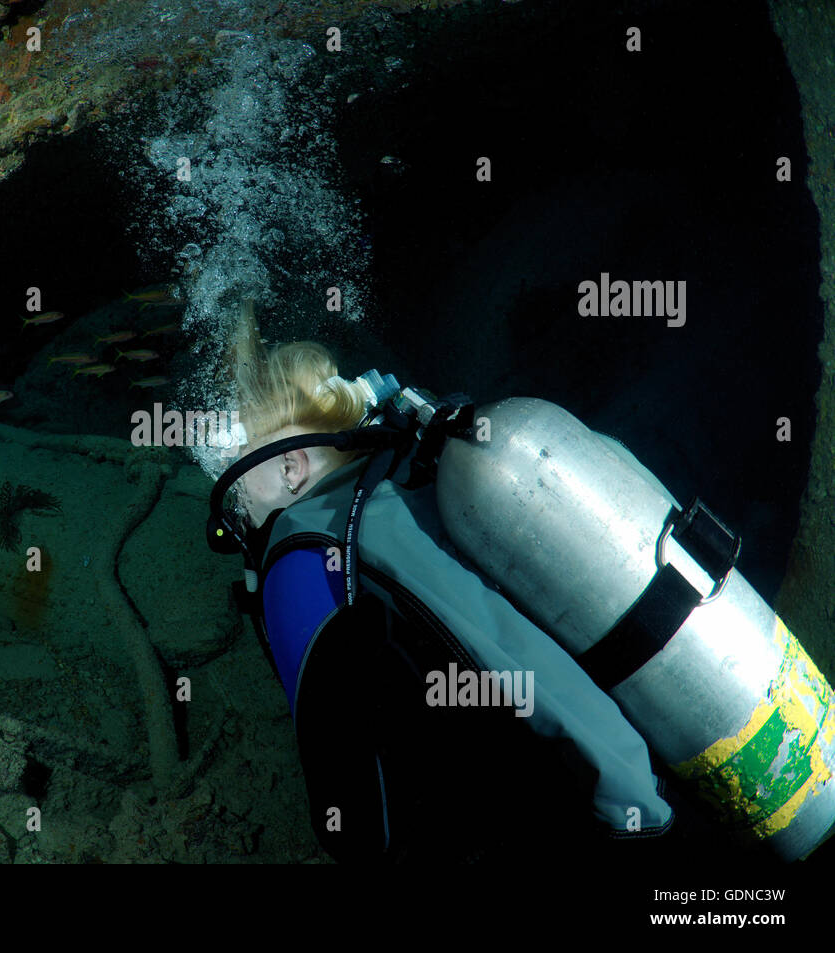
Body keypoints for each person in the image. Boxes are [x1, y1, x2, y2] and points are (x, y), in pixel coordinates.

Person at [210, 301, 729, 866]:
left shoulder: (301, 553)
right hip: (660, 773)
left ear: (291, 469)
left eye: (236, 473)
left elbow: (359, 830)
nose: (232, 503)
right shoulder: (417, 472)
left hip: (581, 834)